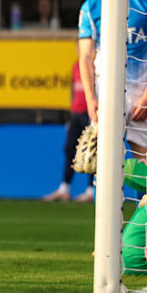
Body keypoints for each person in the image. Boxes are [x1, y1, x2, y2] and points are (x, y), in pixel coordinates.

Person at [79, 0, 147, 166]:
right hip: (106, 98)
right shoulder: (91, 7)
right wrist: (91, 99)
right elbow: (86, 57)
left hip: (140, 97)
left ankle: (144, 202)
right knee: (102, 168)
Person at [44, 56, 95, 202]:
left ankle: (91, 190)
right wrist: (71, 113)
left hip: (89, 113)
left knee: (91, 152)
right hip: (76, 114)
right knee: (69, 149)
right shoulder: (75, 66)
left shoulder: (96, 66)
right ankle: (64, 188)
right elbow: (74, 91)